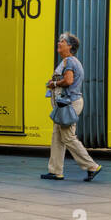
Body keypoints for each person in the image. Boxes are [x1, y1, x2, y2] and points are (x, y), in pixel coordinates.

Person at [42, 32, 101, 181]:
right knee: (57, 137)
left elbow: (68, 81)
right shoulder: (69, 61)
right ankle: (55, 171)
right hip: (65, 105)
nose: (59, 43)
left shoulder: (69, 61)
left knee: (68, 137)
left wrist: (53, 83)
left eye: (62, 41)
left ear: (70, 46)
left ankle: (92, 166)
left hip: (69, 104)